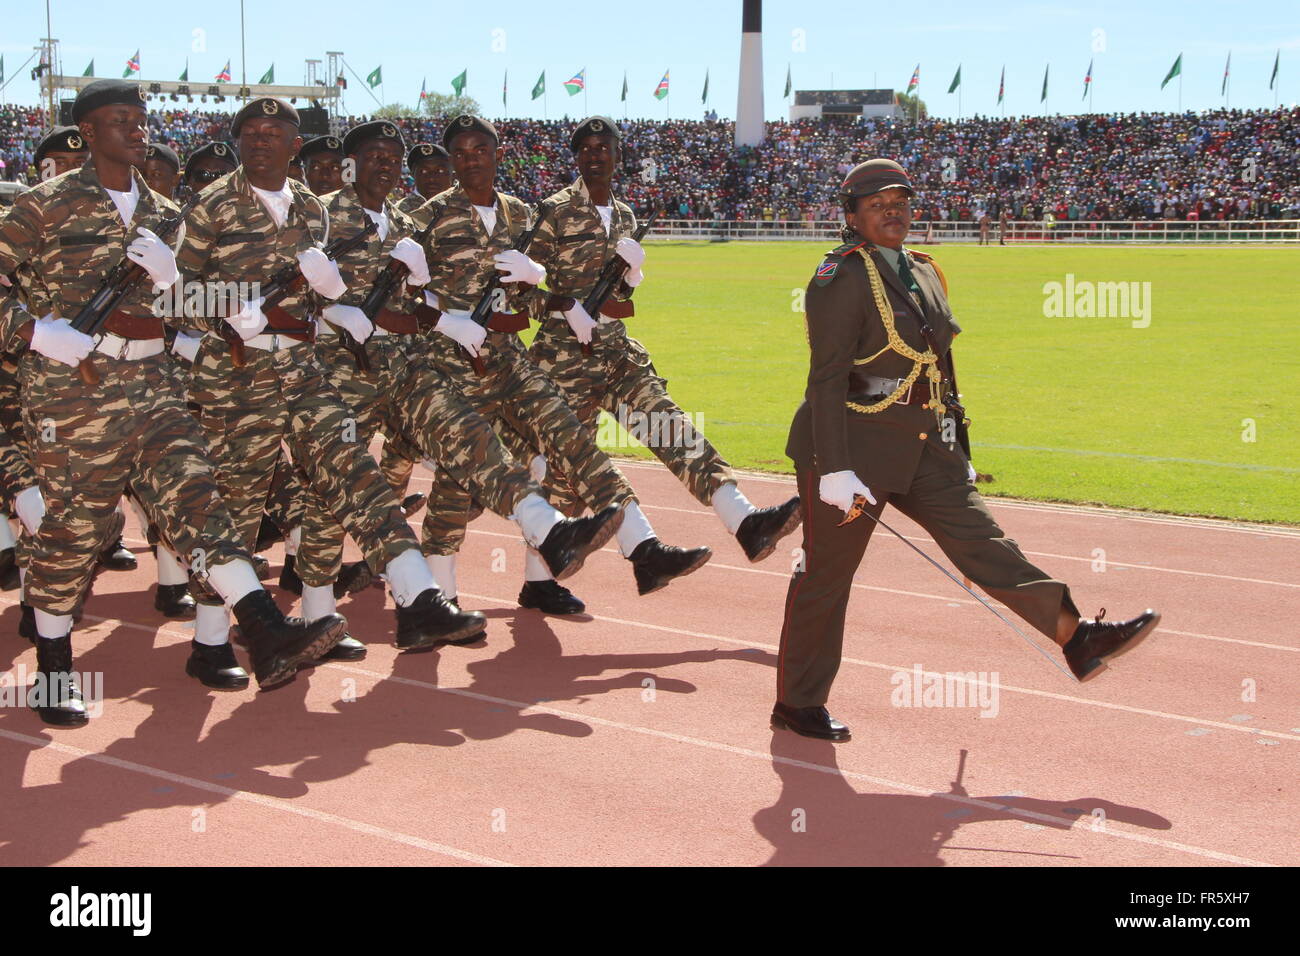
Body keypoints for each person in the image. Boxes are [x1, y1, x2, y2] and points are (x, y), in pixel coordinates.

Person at [773, 158, 1160, 742]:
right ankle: (798, 704)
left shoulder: (925, 270)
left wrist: (961, 442)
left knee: (983, 542)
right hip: (853, 443)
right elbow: (825, 377)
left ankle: (1076, 637)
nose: (891, 212)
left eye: (899, 201)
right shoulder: (840, 277)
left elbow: (942, 367)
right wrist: (834, 467)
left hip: (926, 442)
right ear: (850, 216)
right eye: (876, 204)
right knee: (828, 576)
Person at [0, 80, 350, 721]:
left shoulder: (165, 213)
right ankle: (53, 669)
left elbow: (188, 310)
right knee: (77, 531)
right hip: (74, 392)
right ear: (87, 133)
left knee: (200, 500)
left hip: (155, 382)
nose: (138, 129)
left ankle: (265, 628)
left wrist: (187, 285)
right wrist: (33, 332)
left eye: (141, 118)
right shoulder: (42, 206)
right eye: (120, 120)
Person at [173, 97, 491, 671]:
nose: (260, 141)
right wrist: (227, 307)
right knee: (238, 509)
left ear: (295, 146)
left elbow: (331, 296)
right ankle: (211, 640)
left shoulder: (314, 212)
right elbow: (171, 297)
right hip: (235, 379)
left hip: (301, 366)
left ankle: (419, 598)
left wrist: (333, 295)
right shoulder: (210, 206)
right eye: (251, 132)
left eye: (274, 133)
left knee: (354, 472)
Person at [298, 119, 623, 644]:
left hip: (406, 365)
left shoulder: (404, 222)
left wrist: (435, 304)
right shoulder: (320, 215)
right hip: (343, 373)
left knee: (471, 439)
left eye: (391, 158)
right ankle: (316, 613)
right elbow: (283, 289)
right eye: (372, 156)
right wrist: (331, 306)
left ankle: (548, 530)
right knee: (333, 490)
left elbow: (421, 304)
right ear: (350, 165)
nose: (383, 165)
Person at [417, 115, 706, 613]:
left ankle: (641, 546)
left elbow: (532, 295)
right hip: (452, 365)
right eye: (461, 153)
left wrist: (540, 283)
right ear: (452, 161)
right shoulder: (428, 216)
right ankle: (438, 601)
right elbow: (406, 296)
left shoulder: (518, 215)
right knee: (453, 482)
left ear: (498, 153)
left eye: (480, 150)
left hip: (508, 359)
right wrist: (449, 323)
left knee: (570, 438)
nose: (471, 160)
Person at [523, 116, 802, 599]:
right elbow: (516, 292)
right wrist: (563, 305)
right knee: (565, 474)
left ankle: (745, 521)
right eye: (586, 148)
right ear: (576, 158)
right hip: (562, 362)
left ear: (618, 155)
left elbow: (619, 298)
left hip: (617, 354)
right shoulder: (552, 212)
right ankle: (540, 582)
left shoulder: (627, 217)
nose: (595, 155)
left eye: (604, 147)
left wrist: (630, 281)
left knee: (670, 427)